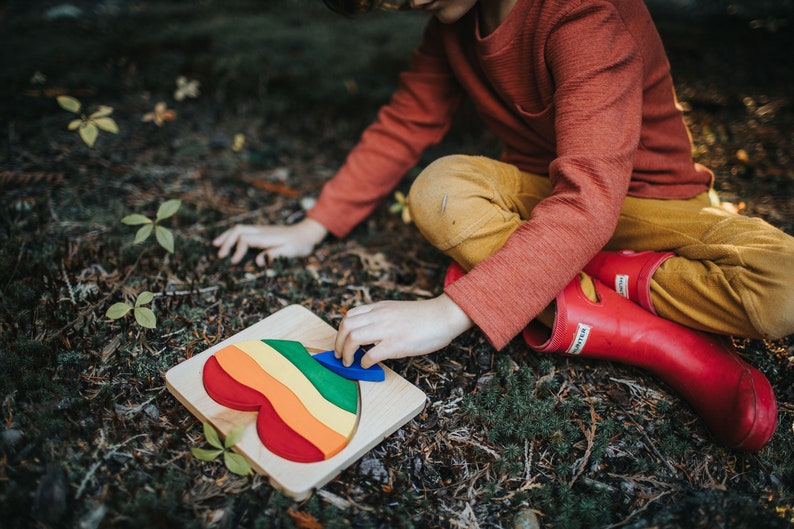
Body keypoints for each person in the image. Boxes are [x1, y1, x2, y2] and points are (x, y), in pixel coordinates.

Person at [213, 0, 794, 451]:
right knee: (441, 188)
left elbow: (591, 197)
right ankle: (661, 335)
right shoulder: (450, 22)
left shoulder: (583, 13)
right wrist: (314, 225)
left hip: (654, 207)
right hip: (543, 202)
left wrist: (451, 311)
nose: (407, 3)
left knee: (784, 288)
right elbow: (404, 124)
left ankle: (579, 275)